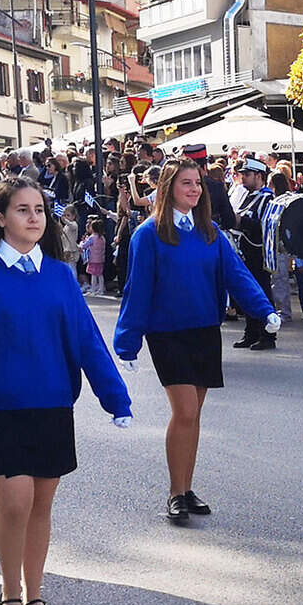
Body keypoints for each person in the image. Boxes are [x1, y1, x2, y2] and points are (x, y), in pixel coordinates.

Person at [0, 179, 132, 605]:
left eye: (39, 209)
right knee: (15, 503)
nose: (34, 218)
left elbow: (86, 340)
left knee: (42, 504)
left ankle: (35, 593)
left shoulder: (60, 275)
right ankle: (9, 593)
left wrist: (114, 397)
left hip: (51, 404)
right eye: (22, 210)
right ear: (0, 218)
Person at [114, 158, 279, 524]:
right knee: (185, 412)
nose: (194, 189)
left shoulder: (210, 232)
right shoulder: (149, 234)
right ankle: (175, 492)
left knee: (194, 415)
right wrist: (127, 341)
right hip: (168, 334)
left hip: (204, 329)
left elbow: (236, 273)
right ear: (169, 187)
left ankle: (187, 489)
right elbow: (137, 289)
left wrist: (262, 309)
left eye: (197, 183)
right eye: (186, 183)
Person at [228, 158, 278, 351]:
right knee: (248, 291)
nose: (243, 178)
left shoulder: (266, 198)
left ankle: (268, 334)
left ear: (259, 176)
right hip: (246, 250)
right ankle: (251, 332)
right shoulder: (247, 196)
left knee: (262, 291)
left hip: (258, 251)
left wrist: (240, 221)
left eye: (247, 175)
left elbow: (264, 227)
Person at [78, 218, 107, 293]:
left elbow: (85, 245)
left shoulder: (92, 237)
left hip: (93, 259)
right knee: (100, 274)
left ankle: (93, 289)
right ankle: (101, 289)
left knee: (93, 274)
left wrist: (80, 245)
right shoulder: (102, 238)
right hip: (101, 258)